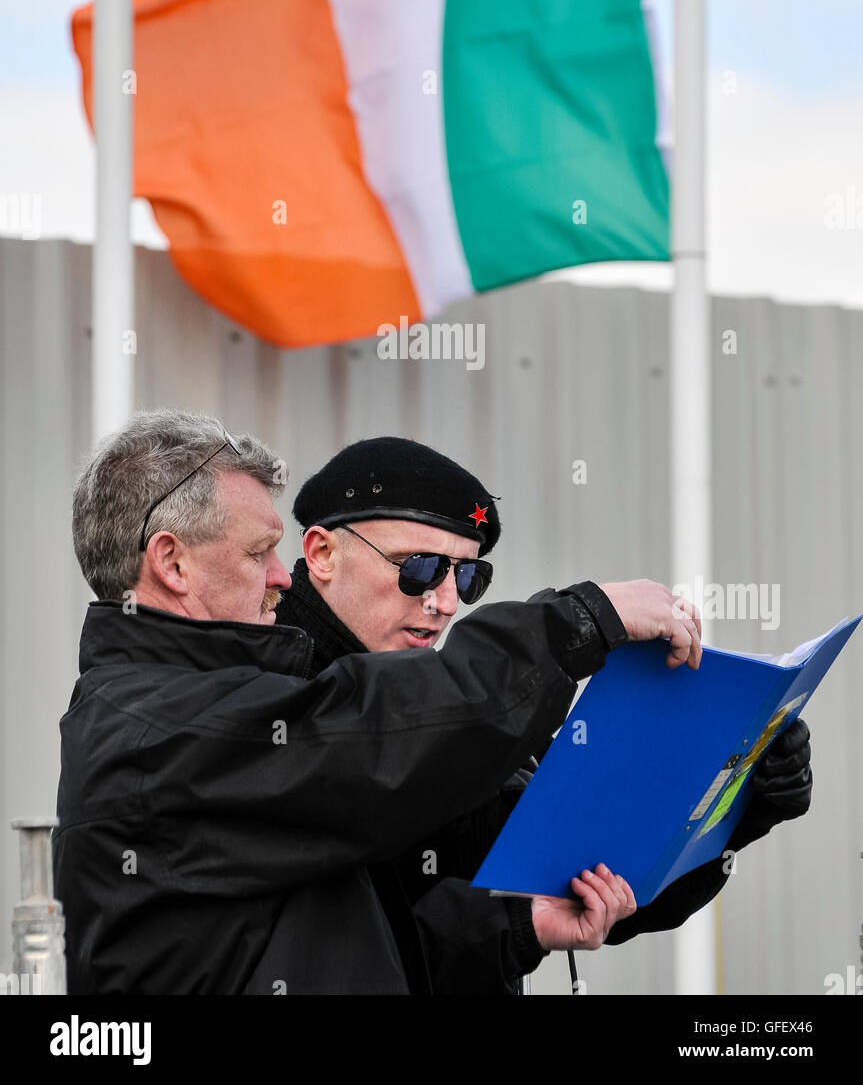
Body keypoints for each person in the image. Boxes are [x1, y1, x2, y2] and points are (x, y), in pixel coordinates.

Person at [53, 411, 810, 995]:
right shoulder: (177, 719)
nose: (447, 602)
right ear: (173, 563)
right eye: (419, 568)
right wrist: (579, 621)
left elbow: (381, 940)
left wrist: (729, 793)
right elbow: (374, 739)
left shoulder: (393, 713)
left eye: (470, 580)